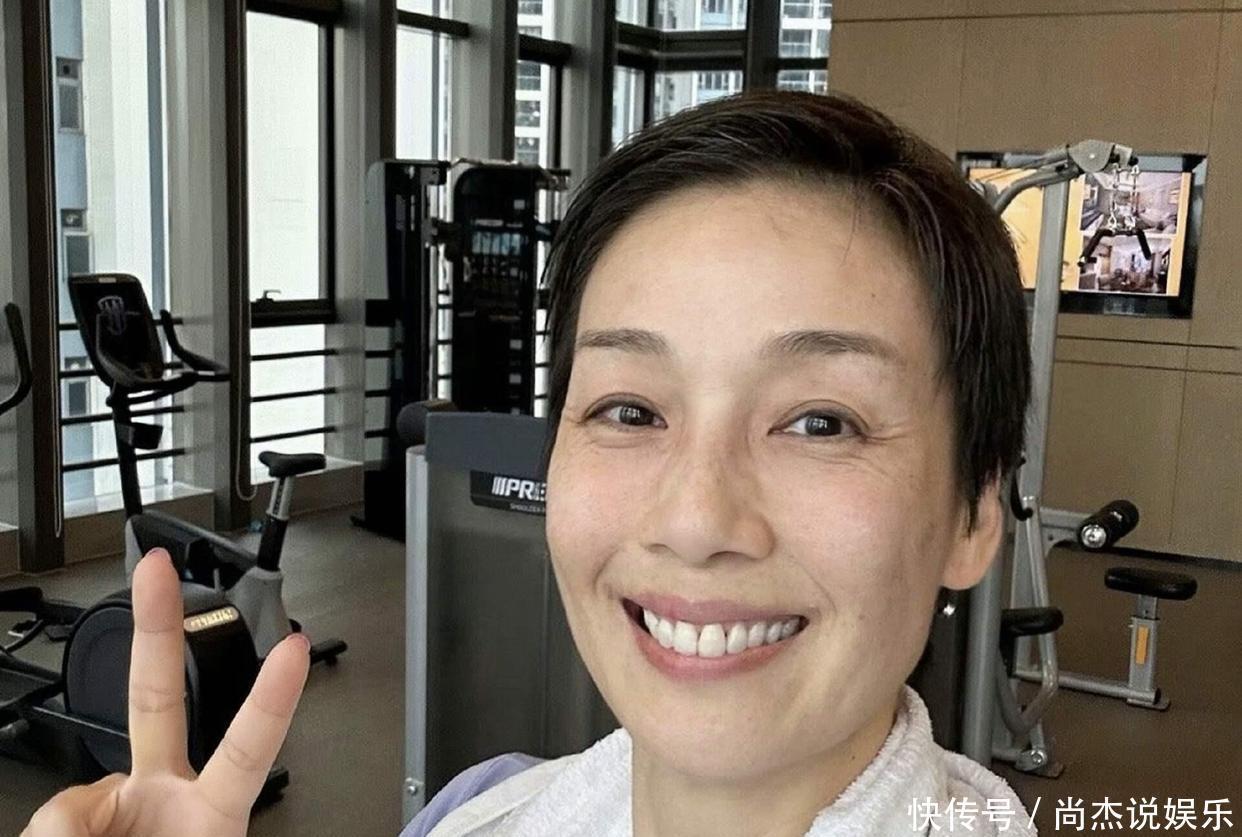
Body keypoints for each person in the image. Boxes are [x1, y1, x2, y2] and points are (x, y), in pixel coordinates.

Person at [24, 91, 1036, 837]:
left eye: (820, 422)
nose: (695, 519)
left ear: (975, 512)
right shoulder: (475, 813)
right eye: (631, 409)